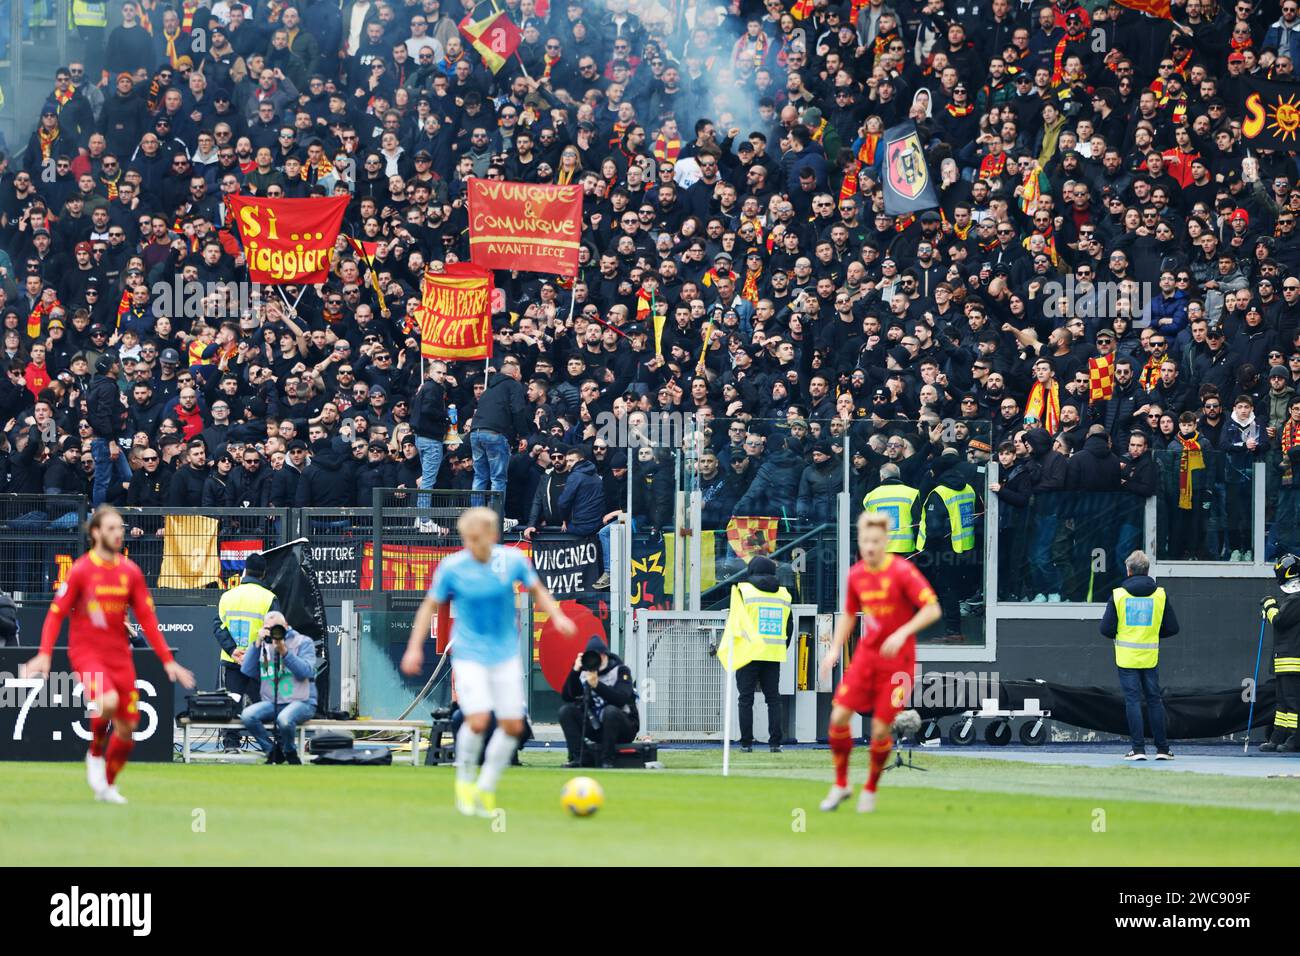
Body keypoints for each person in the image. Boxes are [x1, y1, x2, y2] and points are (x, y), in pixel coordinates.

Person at [400, 507, 576, 817]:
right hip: (469, 654)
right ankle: (464, 780)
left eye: (477, 538)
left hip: (505, 654)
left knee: (512, 725)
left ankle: (486, 787)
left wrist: (558, 616)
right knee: (478, 721)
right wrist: (414, 647)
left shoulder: (511, 561)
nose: (471, 544)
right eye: (467, 538)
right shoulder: (452, 566)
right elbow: (429, 606)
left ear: (493, 536)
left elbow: (537, 590)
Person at [24, 505, 196, 803]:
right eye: (112, 528)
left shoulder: (130, 572)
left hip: (120, 656)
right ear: (95, 532)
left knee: (128, 726)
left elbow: (147, 619)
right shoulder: (81, 570)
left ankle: (107, 787)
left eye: (121, 528)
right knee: (107, 701)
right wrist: (44, 654)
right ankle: (94, 752)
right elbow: (55, 614)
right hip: (87, 653)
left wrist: (168, 660)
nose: (119, 533)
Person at [818, 512, 941, 813]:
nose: (870, 547)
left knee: (879, 729)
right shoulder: (857, 574)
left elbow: (932, 609)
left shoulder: (902, 571)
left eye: (875, 541)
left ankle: (870, 789)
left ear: (885, 542)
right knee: (838, 718)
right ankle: (841, 784)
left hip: (898, 662)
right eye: (864, 542)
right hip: (866, 656)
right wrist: (834, 649)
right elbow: (849, 613)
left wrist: (903, 632)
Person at [1099, 550, 1179, 760]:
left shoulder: (1118, 595)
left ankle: (1138, 749)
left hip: (1126, 657)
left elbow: (1105, 629)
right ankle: (1162, 749)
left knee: (1132, 701)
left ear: (1129, 571)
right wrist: (1152, 632)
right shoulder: (1160, 594)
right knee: (1154, 700)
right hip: (1150, 657)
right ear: (1147, 571)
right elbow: (1173, 627)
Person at [214, 551, 279, 754]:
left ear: (245, 571)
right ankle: (267, 745)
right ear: (263, 574)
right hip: (259, 660)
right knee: (263, 703)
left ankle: (231, 744)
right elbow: (275, 630)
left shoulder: (227, 596)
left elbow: (218, 626)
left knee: (233, 701)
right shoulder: (269, 598)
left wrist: (233, 651)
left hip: (232, 660)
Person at [238, 610, 317, 764]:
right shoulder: (263, 646)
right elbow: (247, 670)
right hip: (273, 702)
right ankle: (272, 751)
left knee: (284, 719)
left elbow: (306, 671)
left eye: (277, 628)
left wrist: (284, 652)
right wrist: (257, 643)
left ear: (286, 625)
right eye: (269, 628)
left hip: (302, 701)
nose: (274, 632)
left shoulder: (302, 641)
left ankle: (289, 751)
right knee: (247, 715)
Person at [730, 555, 792, 753]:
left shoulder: (743, 590)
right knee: (773, 699)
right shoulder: (784, 594)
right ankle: (775, 743)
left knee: (745, 699)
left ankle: (746, 743)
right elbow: (789, 628)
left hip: (748, 653)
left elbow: (735, 624)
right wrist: (779, 647)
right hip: (773, 654)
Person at [557, 636, 639, 767]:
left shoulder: (620, 670)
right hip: (596, 725)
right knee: (566, 711)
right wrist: (575, 671)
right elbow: (568, 696)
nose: (594, 661)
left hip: (623, 726)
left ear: (605, 655)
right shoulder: (585, 673)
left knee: (610, 711)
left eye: (598, 656)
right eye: (591, 656)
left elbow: (621, 699)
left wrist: (597, 685)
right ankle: (581, 758)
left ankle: (607, 760)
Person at [1260, 553, 1300, 752]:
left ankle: (1295, 739)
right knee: (1282, 703)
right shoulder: (1291, 598)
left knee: (1293, 703)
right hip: (1285, 659)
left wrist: (1269, 607)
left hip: (1294, 660)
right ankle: (1278, 737)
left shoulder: (1296, 599)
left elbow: (1280, 621)